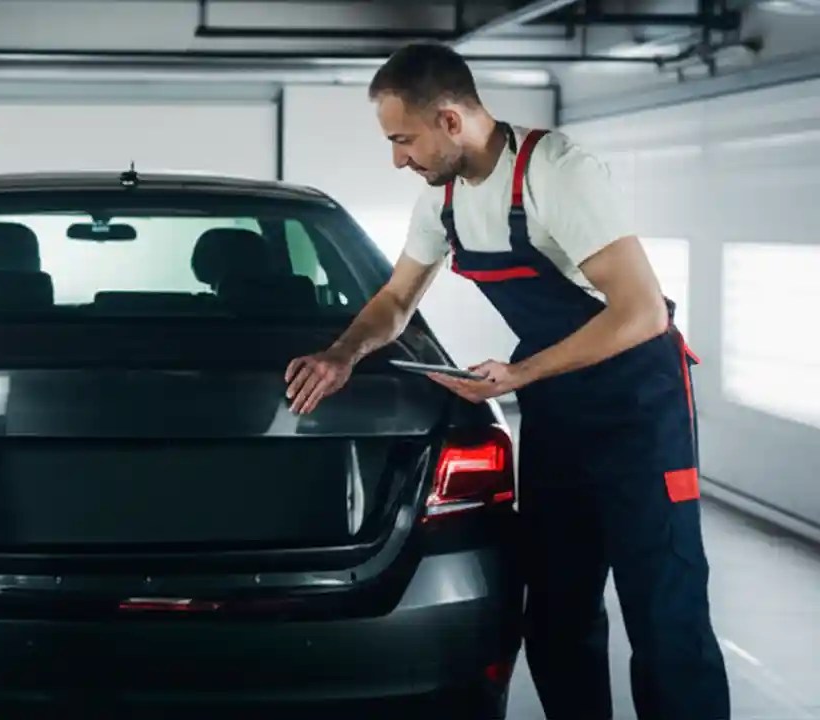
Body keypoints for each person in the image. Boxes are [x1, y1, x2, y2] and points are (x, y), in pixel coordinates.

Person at [283, 43, 730, 720]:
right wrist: (344, 352)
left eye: (404, 139)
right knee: (556, 614)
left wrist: (519, 372)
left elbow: (639, 312)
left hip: (640, 408)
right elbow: (396, 300)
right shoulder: (445, 201)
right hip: (558, 411)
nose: (398, 159)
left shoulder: (555, 172)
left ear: (452, 120)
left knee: (665, 618)